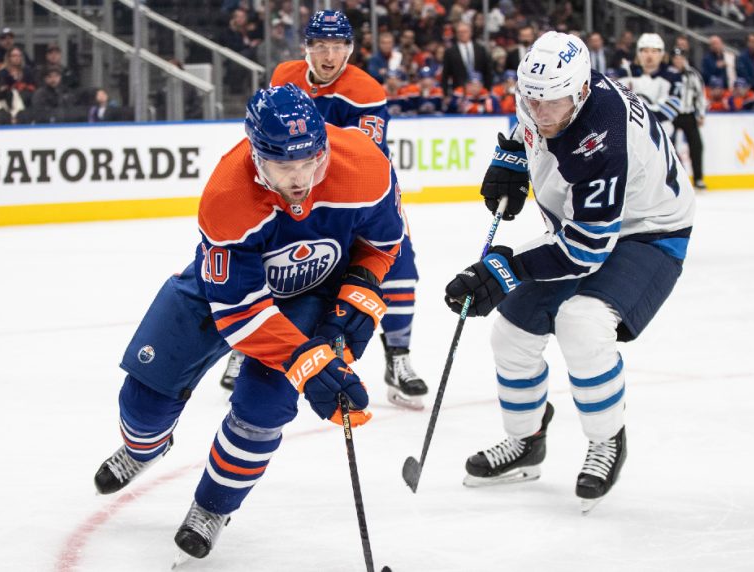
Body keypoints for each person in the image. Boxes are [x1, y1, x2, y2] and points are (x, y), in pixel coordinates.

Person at [92, 84, 405, 561]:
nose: (300, 179)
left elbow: (381, 247)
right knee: (142, 401)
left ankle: (212, 506)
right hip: (220, 293)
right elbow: (240, 311)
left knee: (264, 408)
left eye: (310, 161)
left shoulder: (365, 165)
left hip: (308, 291)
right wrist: (309, 363)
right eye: (283, 166)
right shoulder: (227, 195)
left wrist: (352, 304)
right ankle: (143, 448)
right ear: (257, 157)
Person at [446, 31, 694, 512]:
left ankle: (607, 439)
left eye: (551, 103)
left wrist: (504, 269)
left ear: (581, 92)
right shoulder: (549, 92)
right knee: (511, 333)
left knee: (581, 323)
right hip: (584, 225)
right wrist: (512, 155)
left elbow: (585, 250)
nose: (539, 112)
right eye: (531, 99)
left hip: (649, 231)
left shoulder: (601, 139)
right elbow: (529, 122)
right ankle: (526, 441)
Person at [227, 10, 429, 409]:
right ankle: (244, 346)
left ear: (350, 49)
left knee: (398, 264)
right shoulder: (284, 75)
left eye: (338, 46)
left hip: (358, 193)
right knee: (267, 263)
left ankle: (398, 358)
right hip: (296, 189)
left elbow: (361, 157)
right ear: (306, 48)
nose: (329, 55)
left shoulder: (365, 90)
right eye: (320, 45)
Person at [619, 33, 682, 126]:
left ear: (662, 54)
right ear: (638, 53)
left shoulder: (672, 76)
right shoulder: (625, 74)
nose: (649, 55)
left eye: (654, 51)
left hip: (661, 129)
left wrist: (640, 116)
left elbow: (672, 108)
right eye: (645, 51)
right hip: (631, 129)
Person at [668, 48, 706, 189]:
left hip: (689, 114)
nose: (678, 60)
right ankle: (671, 178)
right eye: (676, 58)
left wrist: (700, 114)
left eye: (681, 58)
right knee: (669, 146)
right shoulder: (668, 73)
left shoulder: (693, 74)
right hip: (672, 115)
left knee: (697, 145)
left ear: (685, 59)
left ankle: (698, 178)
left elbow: (700, 94)